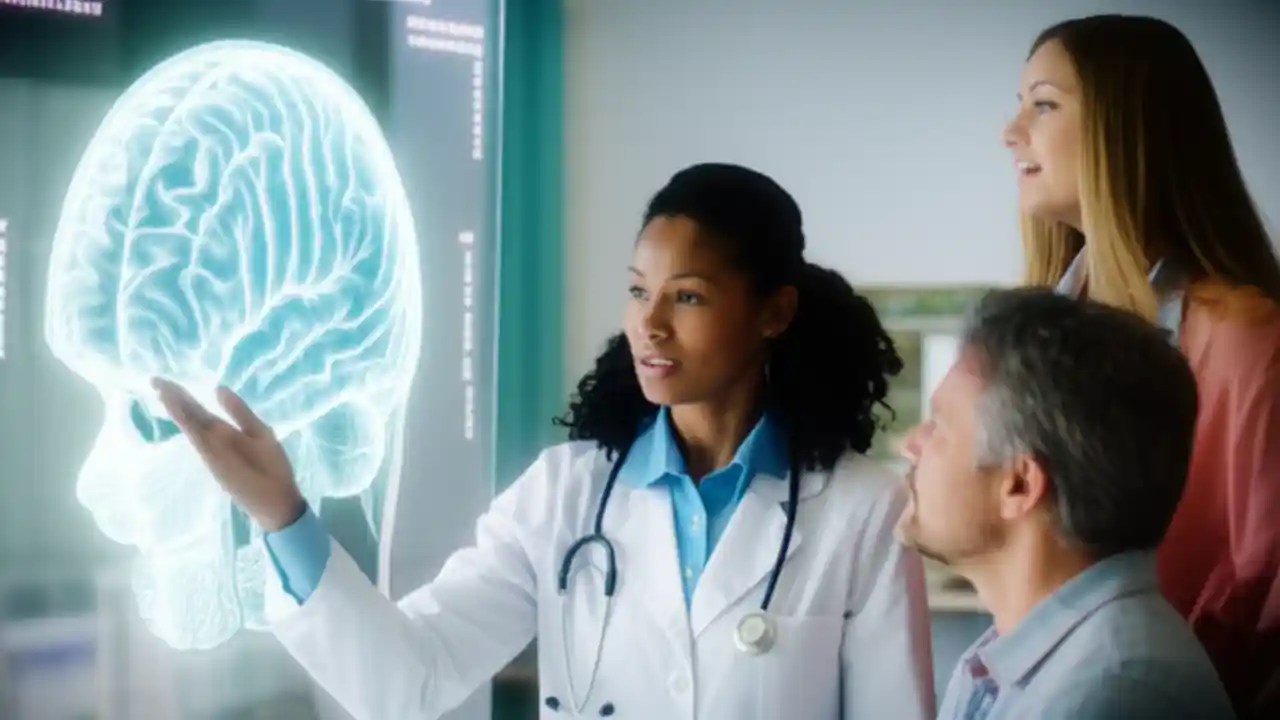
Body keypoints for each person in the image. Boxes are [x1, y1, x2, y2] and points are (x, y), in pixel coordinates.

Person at [153, 163, 936, 719]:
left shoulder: (861, 512)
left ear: (774, 312)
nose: (649, 325)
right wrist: (283, 517)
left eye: (688, 296)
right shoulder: (566, 494)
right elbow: (408, 680)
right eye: (637, 291)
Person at [1002, 14, 1280, 717]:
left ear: (1126, 129)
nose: (1011, 133)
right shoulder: (1040, 325)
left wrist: (1149, 680)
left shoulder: (1244, 334)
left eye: (1043, 103)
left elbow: (1262, 575)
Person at [898, 287, 1235, 719]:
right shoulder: (1008, 657)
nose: (912, 445)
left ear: (1019, 484)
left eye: (939, 427)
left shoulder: (1111, 691)